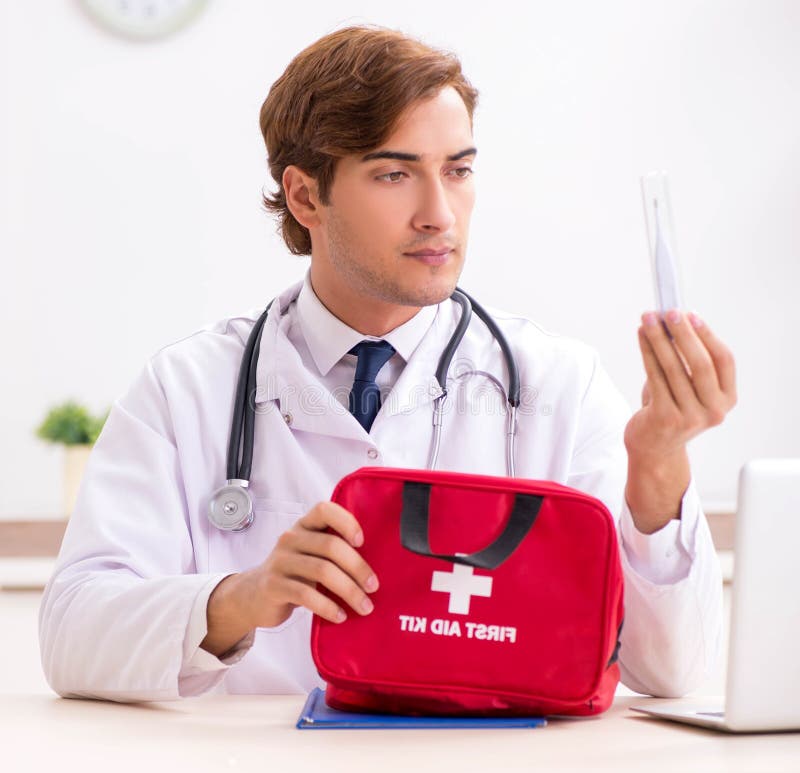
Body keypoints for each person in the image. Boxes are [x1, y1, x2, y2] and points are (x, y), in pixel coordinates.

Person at [39, 24, 737, 703]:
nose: (441, 214)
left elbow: (671, 669)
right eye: (395, 173)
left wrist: (659, 465)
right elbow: (72, 633)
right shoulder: (188, 388)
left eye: (458, 170)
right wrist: (240, 597)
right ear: (307, 195)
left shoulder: (558, 384)